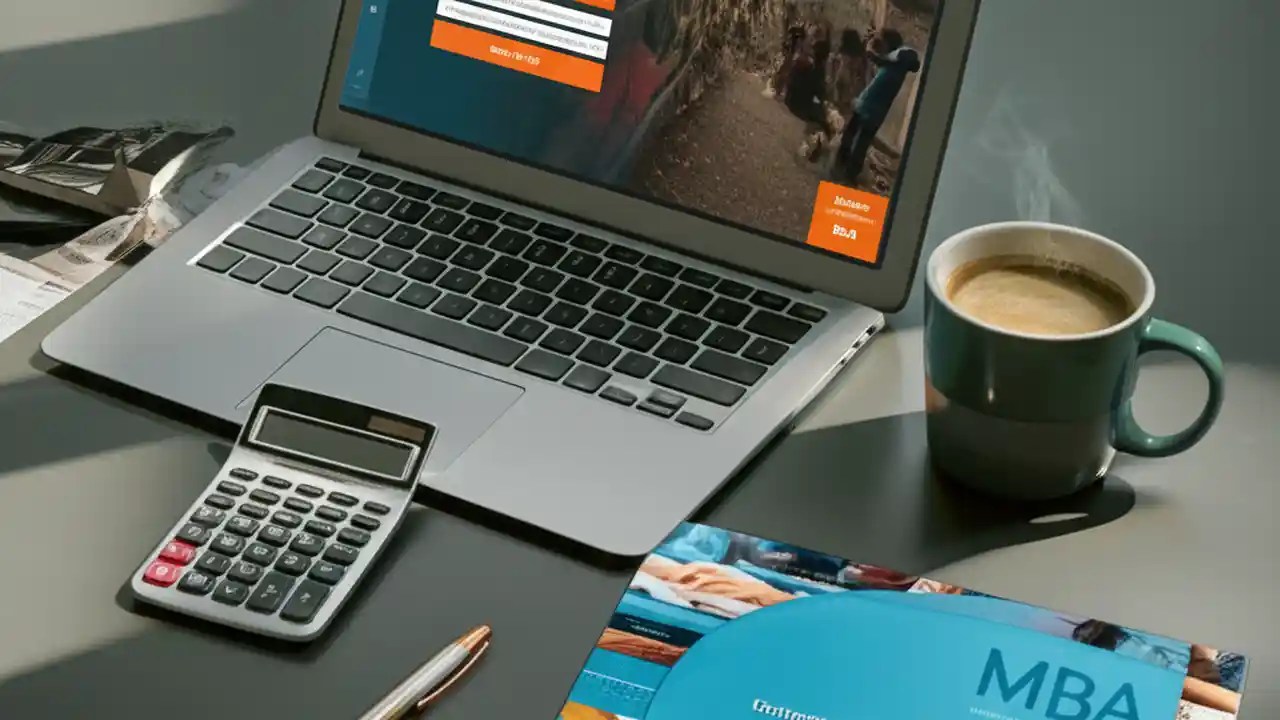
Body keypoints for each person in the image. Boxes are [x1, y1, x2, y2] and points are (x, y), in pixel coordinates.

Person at [831, 28, 921, 184]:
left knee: (859, 145)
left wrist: (874, 49)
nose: (880, 45)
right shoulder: (890, 62)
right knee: (851, 139)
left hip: (872, 111)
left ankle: (848, 176)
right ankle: (841, 171)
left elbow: (913, 62)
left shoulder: (901, 57)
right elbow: (876, 59)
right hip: (866, 106)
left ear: (889, 43)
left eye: (882, 41)